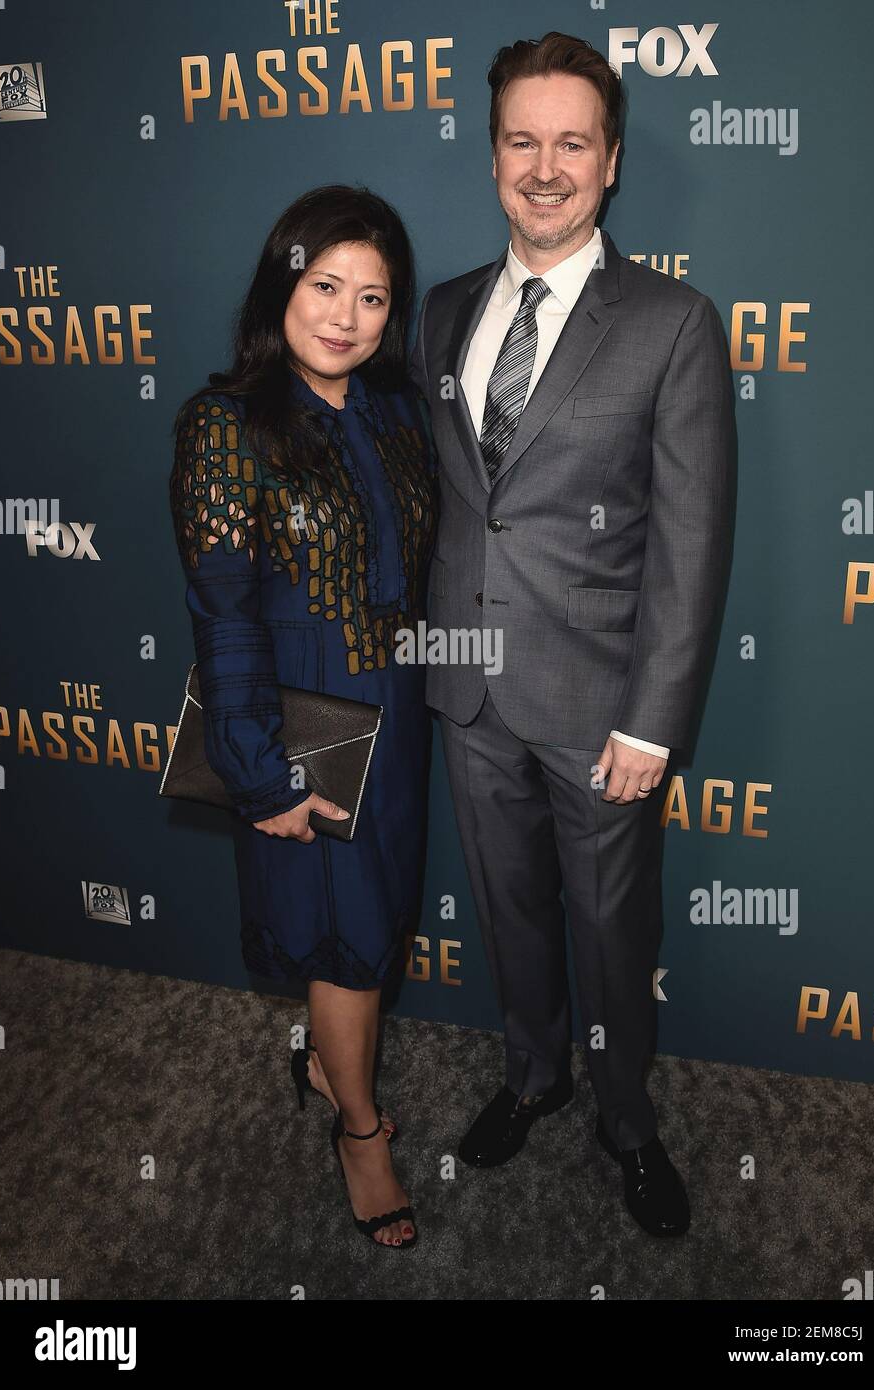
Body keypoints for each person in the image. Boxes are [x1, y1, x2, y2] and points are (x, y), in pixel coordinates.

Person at [410, 32, 736, 1237]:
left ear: (609, 163)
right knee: (509, 912)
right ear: (491, 152)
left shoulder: (672, 322)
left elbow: (691, 545)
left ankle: (626, 1120)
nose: (542, 168)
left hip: (603, 706)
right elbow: (447, 503)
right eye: (520, 141)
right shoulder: (441, 313)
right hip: (469, 692)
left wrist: (654, 720)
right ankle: (533, 1074)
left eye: (570, 144)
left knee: (611, 932)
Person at [169, 185, 438, 1249]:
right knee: (345, 941)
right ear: (282, 283)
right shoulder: (225, 426)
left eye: (373, 298)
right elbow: (223, 616)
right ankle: (360, 1130)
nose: (346, 317)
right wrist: (257, 767)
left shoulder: (395, 410)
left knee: (378, 920)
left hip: (399, 707)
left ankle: (330, 1064)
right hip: (301, 717)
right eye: (325, 285)